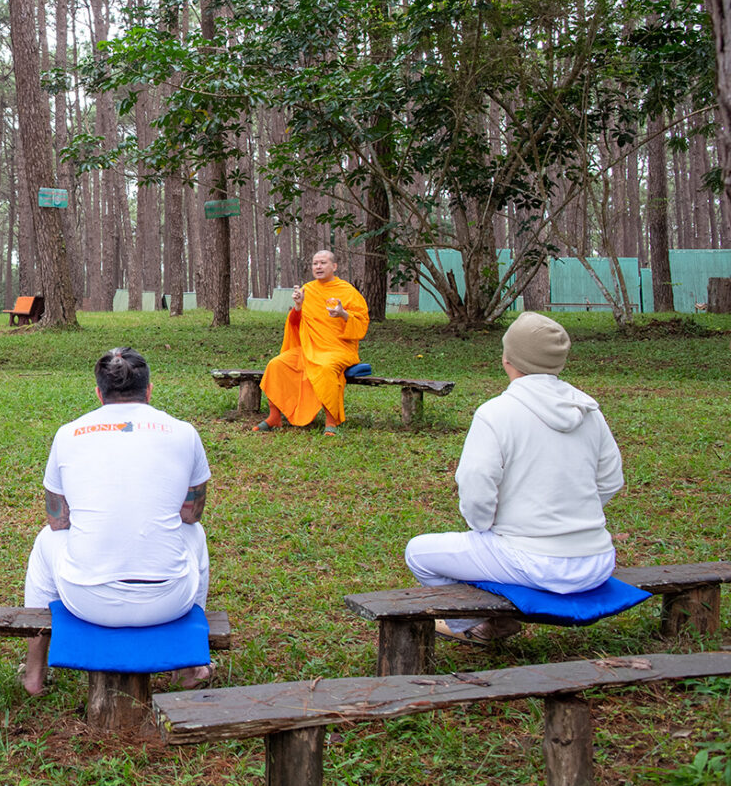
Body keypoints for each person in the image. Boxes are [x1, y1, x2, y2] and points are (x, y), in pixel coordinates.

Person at [404, 312, 624, 644]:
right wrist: (570, 516)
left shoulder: (496, 413)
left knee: (418, 553)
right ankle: (494, 619)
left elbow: (476, 487)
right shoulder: (588, 411)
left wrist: (486, 529)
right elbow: (610, 480)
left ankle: (476, 622)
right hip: (596, 561)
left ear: (508, 359)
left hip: (534, 562)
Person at [21, 347, 212, 696]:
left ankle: (34, 673)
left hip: (87, 599)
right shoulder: (184, 432)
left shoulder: (68, 434)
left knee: (43, 543)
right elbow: (191, 513)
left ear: (98, 394)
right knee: (195, 533)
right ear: (149, 390)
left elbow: (56, 521)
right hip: (169, 600)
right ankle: (190, 666)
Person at [254, 249, 370, 435]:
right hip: (308, 347)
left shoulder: (348, 292)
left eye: (323, 263)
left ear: (334, 266)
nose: (318, 266)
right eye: (315, 263)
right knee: (276, 364)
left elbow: (362, 324)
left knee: (324, 368)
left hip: (337, 349)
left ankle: (331, 421)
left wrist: (343, 314)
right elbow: (294, 325)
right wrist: (298, 307)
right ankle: (274, 416)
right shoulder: (307, 290)